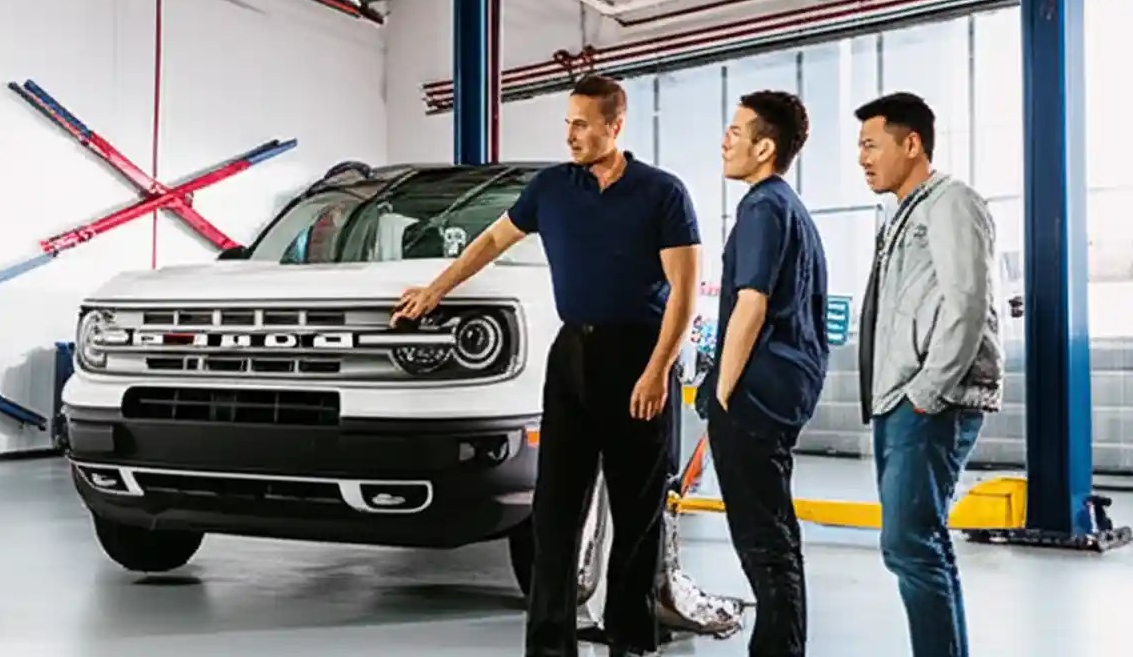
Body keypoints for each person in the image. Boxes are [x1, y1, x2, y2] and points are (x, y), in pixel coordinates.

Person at [392, 73, 701, 657]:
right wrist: (436, 289)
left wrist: (658, 369)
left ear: (616, 125)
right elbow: (490, 241)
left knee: (637, 512)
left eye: (583, 124)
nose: (572, 135)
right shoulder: (551, 188)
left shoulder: (663, 193)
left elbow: (684, 293)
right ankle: (549, 642)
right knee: (555, 508)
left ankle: (630, 636)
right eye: (568, 123)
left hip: (640, 356)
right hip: (572, 357)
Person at [854, 92, 1002, 657]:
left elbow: (970, 302)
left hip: (929, 400)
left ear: (910, 143)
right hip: (900, 399)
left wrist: (928, 391)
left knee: (911, 543)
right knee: (916, 544)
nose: (863, 159)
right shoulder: (903, 215)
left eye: (871, 145)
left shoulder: (951, 203)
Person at [700, 90, 828, 657]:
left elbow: (751, 304)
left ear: (765, 146)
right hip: (784, 390)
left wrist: (722, 392)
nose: (725, 140)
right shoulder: (788, 207)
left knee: (763, 540)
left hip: (755, 395)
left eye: (735, 130)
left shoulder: (761, 207)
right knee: (775, 535)